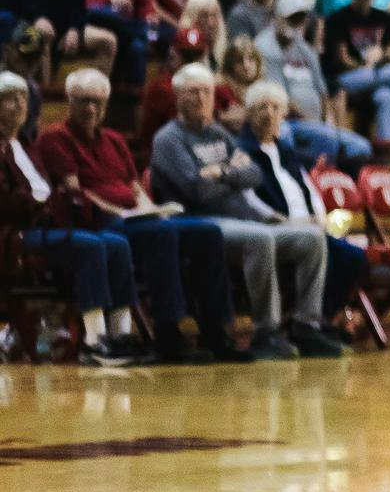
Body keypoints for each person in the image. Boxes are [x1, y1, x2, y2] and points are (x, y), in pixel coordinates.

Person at [34, 68, 239, 363]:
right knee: (161, 234)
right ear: (70, 102)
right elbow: (76, 193)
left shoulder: (115, 140)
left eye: (98, 102)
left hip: (135, 218)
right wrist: (125, 212)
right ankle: (168, 333)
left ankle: (214, 330)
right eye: (84, 101)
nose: (91, 108)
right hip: (100, 221)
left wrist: (151, 210)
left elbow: (135, 187)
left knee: (206, 232)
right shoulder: (56, 138)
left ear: (106, 106)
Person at [148, 62, 343, 361]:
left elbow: (253, 174)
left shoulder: (219, 134)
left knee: (313, 239)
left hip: (239, 217)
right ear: (177, 98)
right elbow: (195, 190)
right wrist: (231, 175)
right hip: (199, 222)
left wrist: (219, 174)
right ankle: (267, 331)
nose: (201, 99)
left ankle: (306, 325)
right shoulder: (168, 140)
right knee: (261, 237)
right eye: (193, 92)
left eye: (206, 92)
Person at [0, 70, 147, 365]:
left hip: (47, 225)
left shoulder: (28, 146)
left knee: (116, 243)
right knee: (90, 244)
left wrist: (49, 201)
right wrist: (41, 202)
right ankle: (94, 341)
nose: (17, 105)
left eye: (22, 99)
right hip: (16, 234)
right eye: (8, 99)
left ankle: (120, 335)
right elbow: (6, 201)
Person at [238, 80, 365, 328]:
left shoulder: (284, 149)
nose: (269, 114)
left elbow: (307, 187)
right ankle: (308, 322)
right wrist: (286, 221)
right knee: (340, 252)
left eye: (275, 108)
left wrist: (319, 216)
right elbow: (247, 198)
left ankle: (324, 318)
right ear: (249, 113)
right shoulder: (243, 150)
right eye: (262, 107)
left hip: (308, 225)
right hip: (277, 226)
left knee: (353, 256)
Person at [256, 0, 370, 171]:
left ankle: (341, 190)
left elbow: (323, 91)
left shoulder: (304, 48)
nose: (297, 25)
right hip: (286, 123)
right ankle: (320, 182)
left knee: (361, 147)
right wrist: (314, 123)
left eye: (301, 19)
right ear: (277, 19)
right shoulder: (266, 46)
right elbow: (280, 100)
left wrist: (326, 120)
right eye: (292, 19)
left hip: (316, 124)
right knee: (326, 138)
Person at [321, 0, 390, 147]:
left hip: (374, 77)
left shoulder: (383, 18)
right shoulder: (338, 18)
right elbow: (342, 59)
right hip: (344, 80)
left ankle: (385, 151)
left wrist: (382, 55)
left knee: (386, 97)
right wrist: (367, 65)